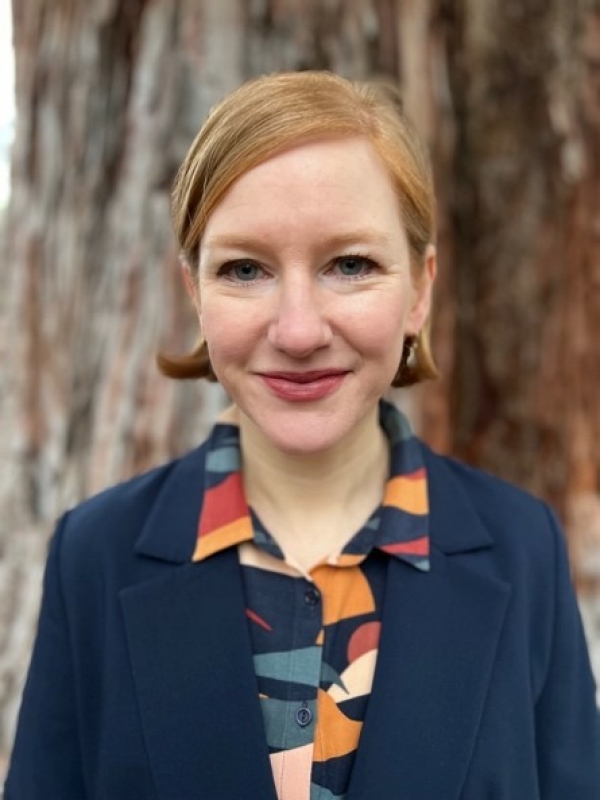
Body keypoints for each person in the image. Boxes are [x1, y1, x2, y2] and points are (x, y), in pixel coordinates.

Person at [5, 71, 599, 800]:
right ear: (195, 292)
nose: (297, 331)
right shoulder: (95, 555)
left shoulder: (522, 547)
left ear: (420, 290)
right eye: (244, 269)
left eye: (350, 265)